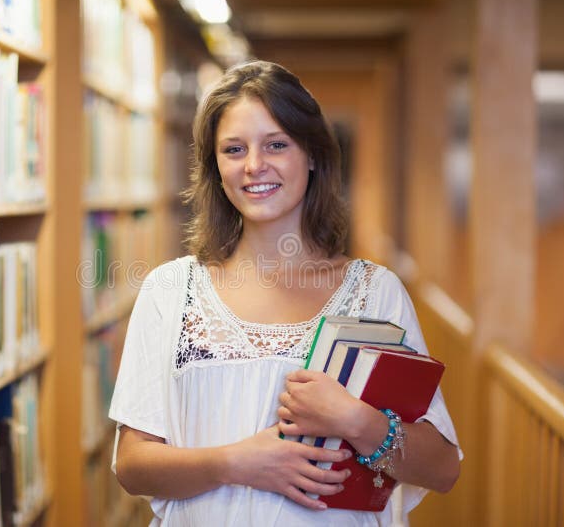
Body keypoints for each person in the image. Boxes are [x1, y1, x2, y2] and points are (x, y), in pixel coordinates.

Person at [108, 60, 461, 526]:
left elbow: (442, 468)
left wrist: (356, 422)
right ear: (215, 167)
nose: (255, 166)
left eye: (277, 144)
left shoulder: (376, 293)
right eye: (234, 149)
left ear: (312, 154)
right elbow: (132, 465)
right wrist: (239, 462)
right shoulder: (170, 291)